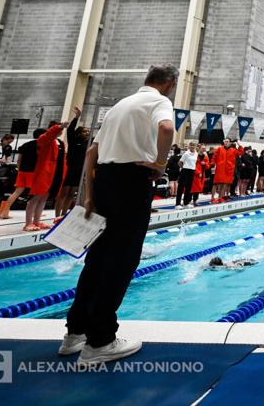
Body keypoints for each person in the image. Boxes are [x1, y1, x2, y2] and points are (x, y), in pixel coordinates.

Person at [63, 64, 176, 365]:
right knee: (123, 258)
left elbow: (91, 154)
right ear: (170, 83)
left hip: (103, 182)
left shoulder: (119, 105)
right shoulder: (159, 101)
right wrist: (160, 163)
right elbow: (166, 129)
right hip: (131, 181)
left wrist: (89, 195)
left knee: (98, 258)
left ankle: (75, 333)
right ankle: (100, 340)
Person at [24, 120, 69, 232]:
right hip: (44, 172)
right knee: (35, 198)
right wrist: (58, 127)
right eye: (58, 129)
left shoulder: (60, 143)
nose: (60, 131)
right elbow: (50, 135)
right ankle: (28, 223)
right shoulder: (44, 139)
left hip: (56, 173)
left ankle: (37, 221)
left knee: (44, 198)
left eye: (62, 129)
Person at [55, 108, 89, 220]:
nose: (87, 133)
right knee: (63, 193)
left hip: (79, 170)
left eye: (88, 132)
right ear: (78, 133)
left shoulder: (86, 143)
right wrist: (76, 117)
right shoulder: (73, 139)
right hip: (70, 168)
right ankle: (57, 215)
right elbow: (70, 130)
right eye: (85, 131)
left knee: (71, 194)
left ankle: (64, 215)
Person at [176, 143, 198, 208]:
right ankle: (177, 204)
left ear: (195, 146)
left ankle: (186, 203)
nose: (192, 146)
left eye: (193, 145)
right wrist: (183, 168)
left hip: (192, 171)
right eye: (191, 145)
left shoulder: (196, 154)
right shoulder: (186, 153)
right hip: (185, 171)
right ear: (189, 146)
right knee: (181, 188)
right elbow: (179, 163)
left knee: (188, 188)